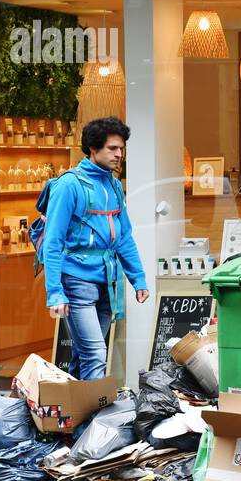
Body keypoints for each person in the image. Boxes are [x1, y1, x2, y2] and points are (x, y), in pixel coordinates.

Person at [43, 117, 150, 381]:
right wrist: (55, 292)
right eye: (113, 148)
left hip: (107, 283)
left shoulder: (113, 185)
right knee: (95, 353)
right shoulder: (69, 185)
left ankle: (70, 413)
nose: (119, 154)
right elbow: (52, 242)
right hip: (76, 282)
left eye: (121, 149)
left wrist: (138, 280)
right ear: (93, 148)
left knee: (84, 355)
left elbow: (124, 237)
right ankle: (94, 418)